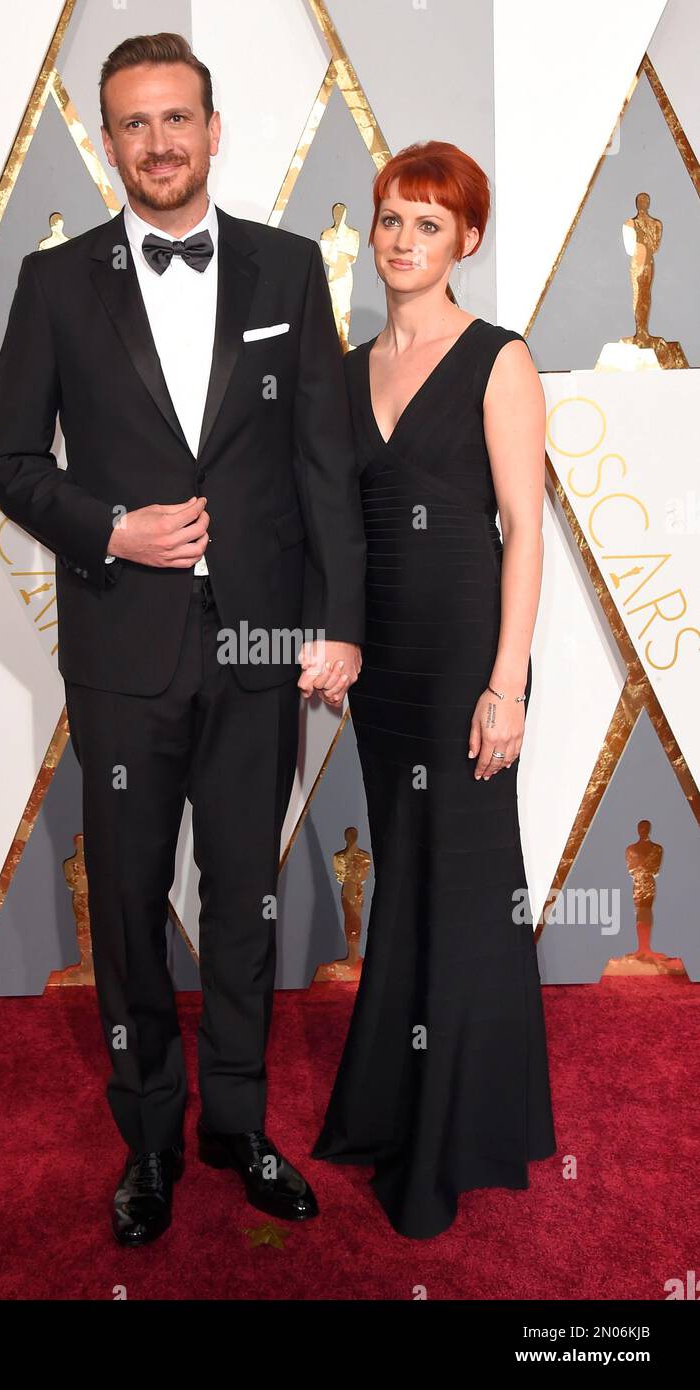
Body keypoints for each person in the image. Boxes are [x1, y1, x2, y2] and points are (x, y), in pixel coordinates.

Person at [0, 32, 366, 1246]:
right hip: (122, 653)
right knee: (133, 907)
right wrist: (111, 527)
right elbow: (9, 461)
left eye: (177, 119)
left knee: (243, 902)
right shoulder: (53, 284)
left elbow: (323, 464)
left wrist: (338, 627)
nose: (160, 143)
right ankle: (147, 1139)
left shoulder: (289, 270)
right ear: (110, 142)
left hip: (258, 649)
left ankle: (236, 1129)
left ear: (213, 127)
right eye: (135, 124)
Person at [311, 141, 557, 1239]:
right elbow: (339, 534)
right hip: (388, 674)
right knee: (407, 875)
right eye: (389, 220)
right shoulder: (349, 366)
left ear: (466, 240)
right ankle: (394, 1103)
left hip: (468, 660)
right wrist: (339, 641)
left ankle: (447, 1148)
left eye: (427, 222)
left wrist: (508, 685)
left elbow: (523, 532)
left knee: (461, 886)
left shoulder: (498, 358)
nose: (402, 240)